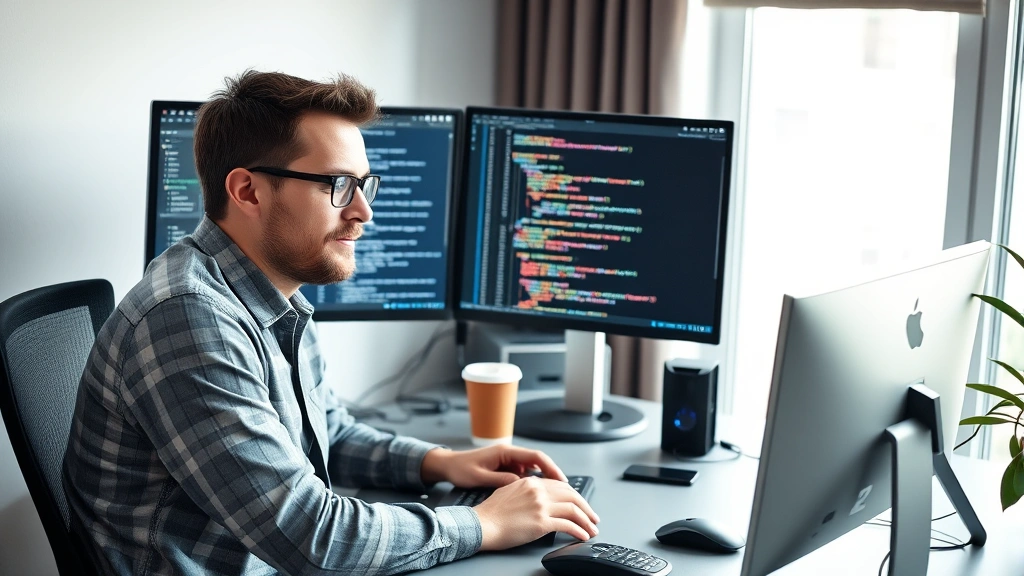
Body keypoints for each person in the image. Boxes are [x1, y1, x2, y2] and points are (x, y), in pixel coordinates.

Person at [62, 70, 599, 576]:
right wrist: (484, 523)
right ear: (247, 190)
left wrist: (442, 464)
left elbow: (327, 436)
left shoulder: (275, 289)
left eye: (366, 184)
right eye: (339, 185)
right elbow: (311, 537)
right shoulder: (186, 318)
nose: (364, 211)